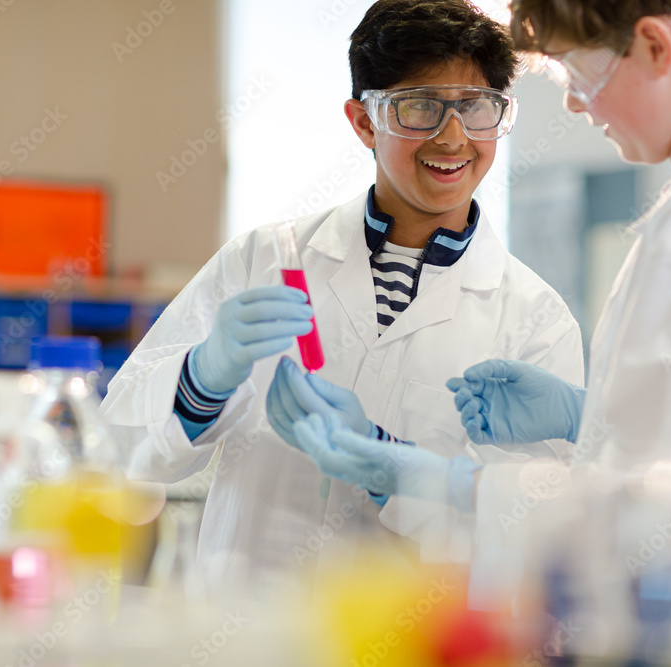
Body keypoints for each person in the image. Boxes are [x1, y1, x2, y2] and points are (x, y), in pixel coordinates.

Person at [99, 0, 584, 590]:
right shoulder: (263, 260)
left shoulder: (536, 317)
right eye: (420, 108)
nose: (454, 136)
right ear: (363, 122)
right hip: (248, 630)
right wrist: (202, 376)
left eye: (477, 109)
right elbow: (118, 450)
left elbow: (533, 534)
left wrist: (392, 465)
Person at [288, 0, 671, 565]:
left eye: (577, 72)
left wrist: (451, 485)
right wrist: (588, 418)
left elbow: (668, 520)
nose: (572, 101)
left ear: (655, 48)